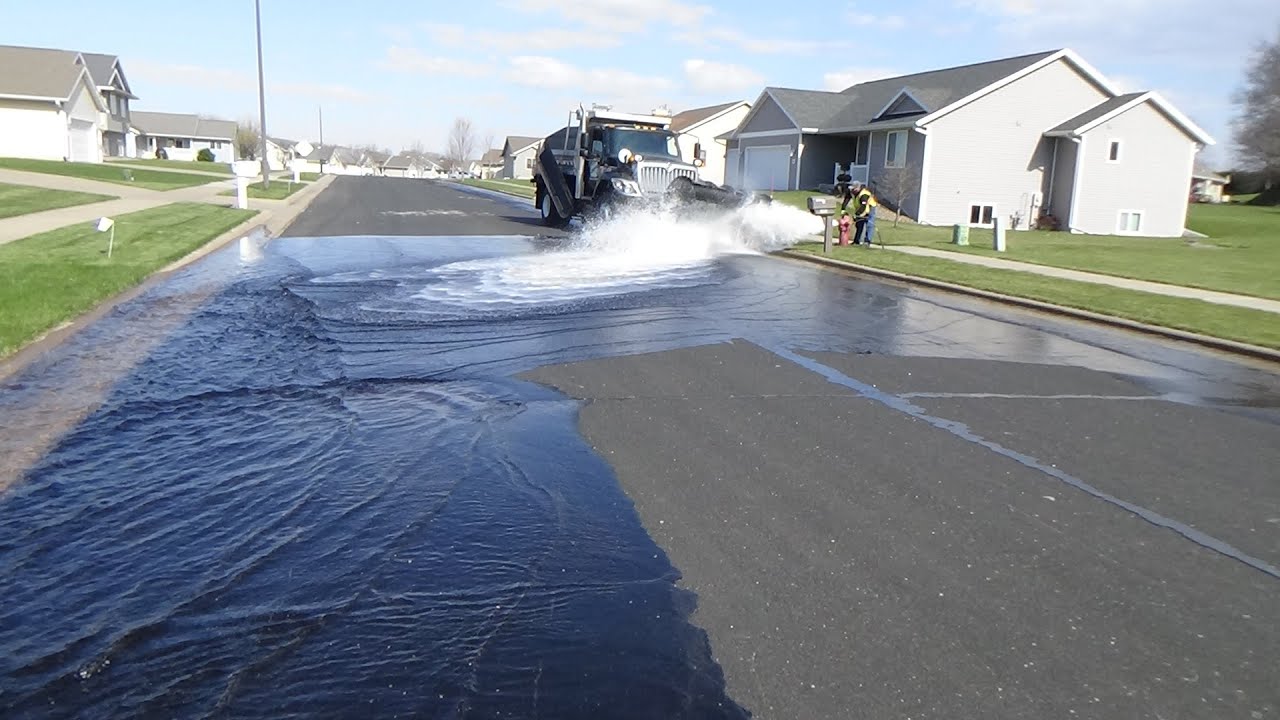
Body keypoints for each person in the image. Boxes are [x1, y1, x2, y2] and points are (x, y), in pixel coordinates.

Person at [849, 181, 878, 246]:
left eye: (853, 188)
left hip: (870, 208)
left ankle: (867, 241)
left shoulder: (864, 194)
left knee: (869, 224)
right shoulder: (855, 193)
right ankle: (857, 241)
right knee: (859, 224)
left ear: (857, 188)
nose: (852, 190)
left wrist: (857, 214)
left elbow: (864, 206)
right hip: (862, 208)